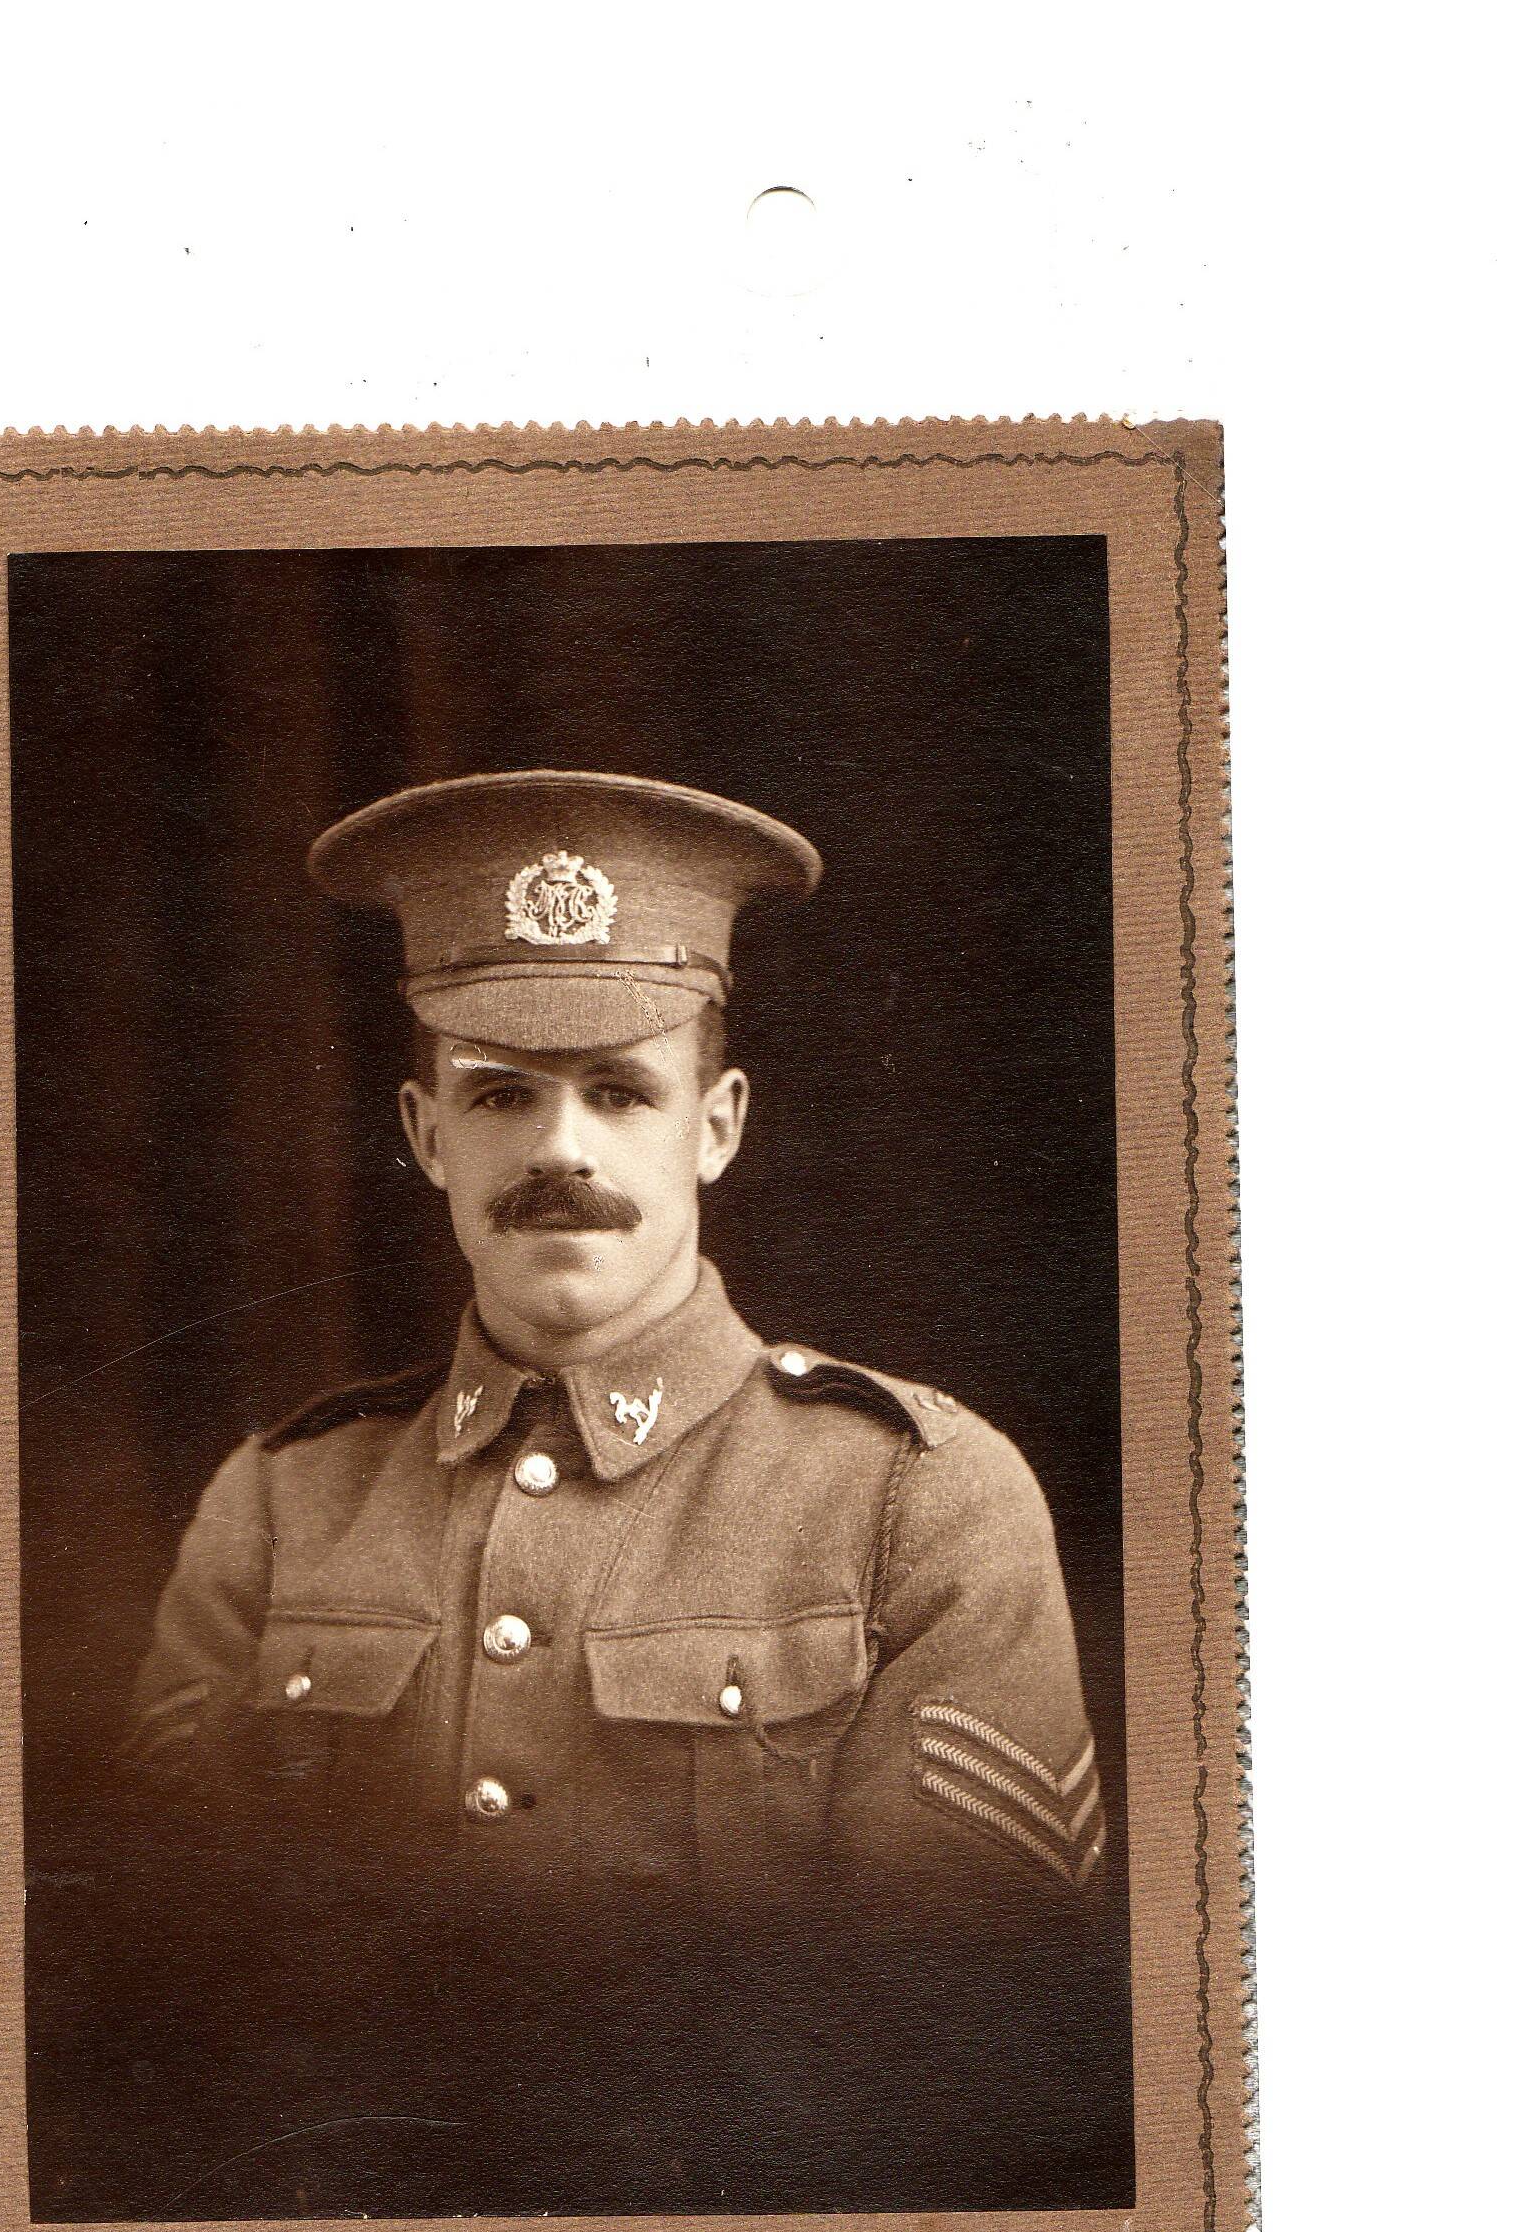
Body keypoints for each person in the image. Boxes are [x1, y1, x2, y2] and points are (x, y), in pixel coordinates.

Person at [127, 771, 1107, 1929]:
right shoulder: (281, 1500)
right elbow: (165, 1952)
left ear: (717, 1125)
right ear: (425, 1134)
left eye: (618, 1092)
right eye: (498, 1097)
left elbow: (963, 2000)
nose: (560, 1150)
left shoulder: (920, 1497)